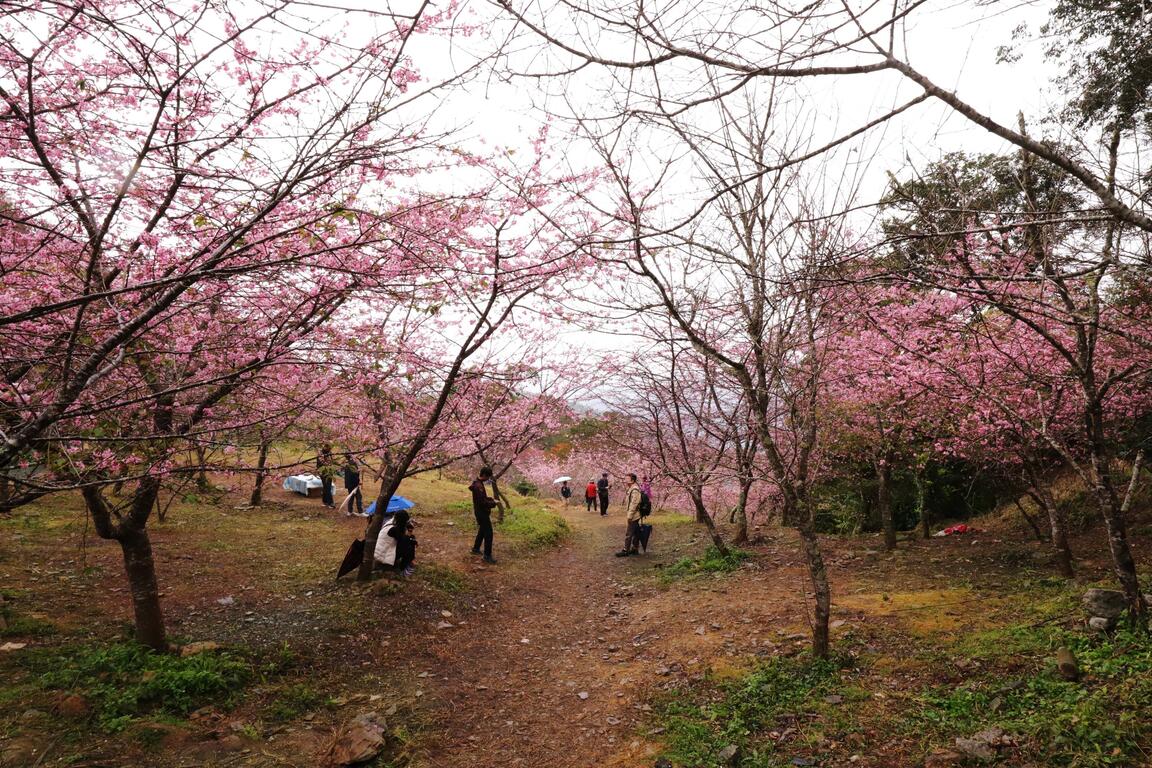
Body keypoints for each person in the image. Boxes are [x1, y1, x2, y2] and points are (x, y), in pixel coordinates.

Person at [469, 466, 498, 564]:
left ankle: (476, 549)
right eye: (488, 477)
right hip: (482, 513)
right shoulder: (478, 487)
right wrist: (494, 503)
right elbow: (482, 502)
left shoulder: (478, 483)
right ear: (484, 475)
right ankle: (487, 556)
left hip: (480, 512)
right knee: (488, 533)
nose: (488, 479)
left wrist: (491, 499)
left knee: (482, 530)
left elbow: (483, 498)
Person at [615, 473, 643, 557]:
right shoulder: (632, 488)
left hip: (634, 515)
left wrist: (630, 515)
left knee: (629, 533)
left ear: (632, 480)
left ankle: (625, 550)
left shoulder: (634, 490)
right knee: (636, 532)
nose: (625, 480)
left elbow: (634, 504)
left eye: (627, 479)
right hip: (635, 514)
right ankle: (635, 549)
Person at [387, 510, 418, 576]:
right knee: (409, 547)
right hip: (386, 553)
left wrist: (411, 537)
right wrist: (410, 535)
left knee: (411, 541)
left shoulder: (393, 525)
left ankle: (408, 563)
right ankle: (403, 569)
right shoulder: (394, 529)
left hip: (387, 549)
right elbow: (403, 543)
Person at [317, 444, 336, 508]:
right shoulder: (320, 453)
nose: (330, 449)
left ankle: (325, 501)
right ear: (325, 447)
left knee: (326, 486)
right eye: (328, 448)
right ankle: (330, 503)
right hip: (323, 472)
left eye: (330, 448)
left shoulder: (329, 452)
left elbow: (333, 460)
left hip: (330, 472)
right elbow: (322, 462)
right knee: (327, 486)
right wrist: (330, 465)